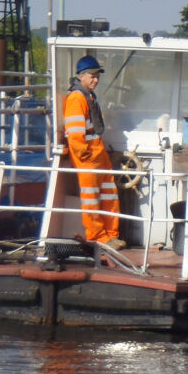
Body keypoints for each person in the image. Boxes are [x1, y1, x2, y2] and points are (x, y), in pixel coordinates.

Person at [63, 55, 125, 249]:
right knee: (91, 198)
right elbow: (75, 133)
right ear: (81, 75)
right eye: (92, 75)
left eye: (97, 76)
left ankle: (111, 234)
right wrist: (84, 155)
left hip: (99, 154)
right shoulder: (76, 98)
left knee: (109, 195)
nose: (96, 79)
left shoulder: (88, 96)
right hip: (88, 157)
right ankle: (98, 236)